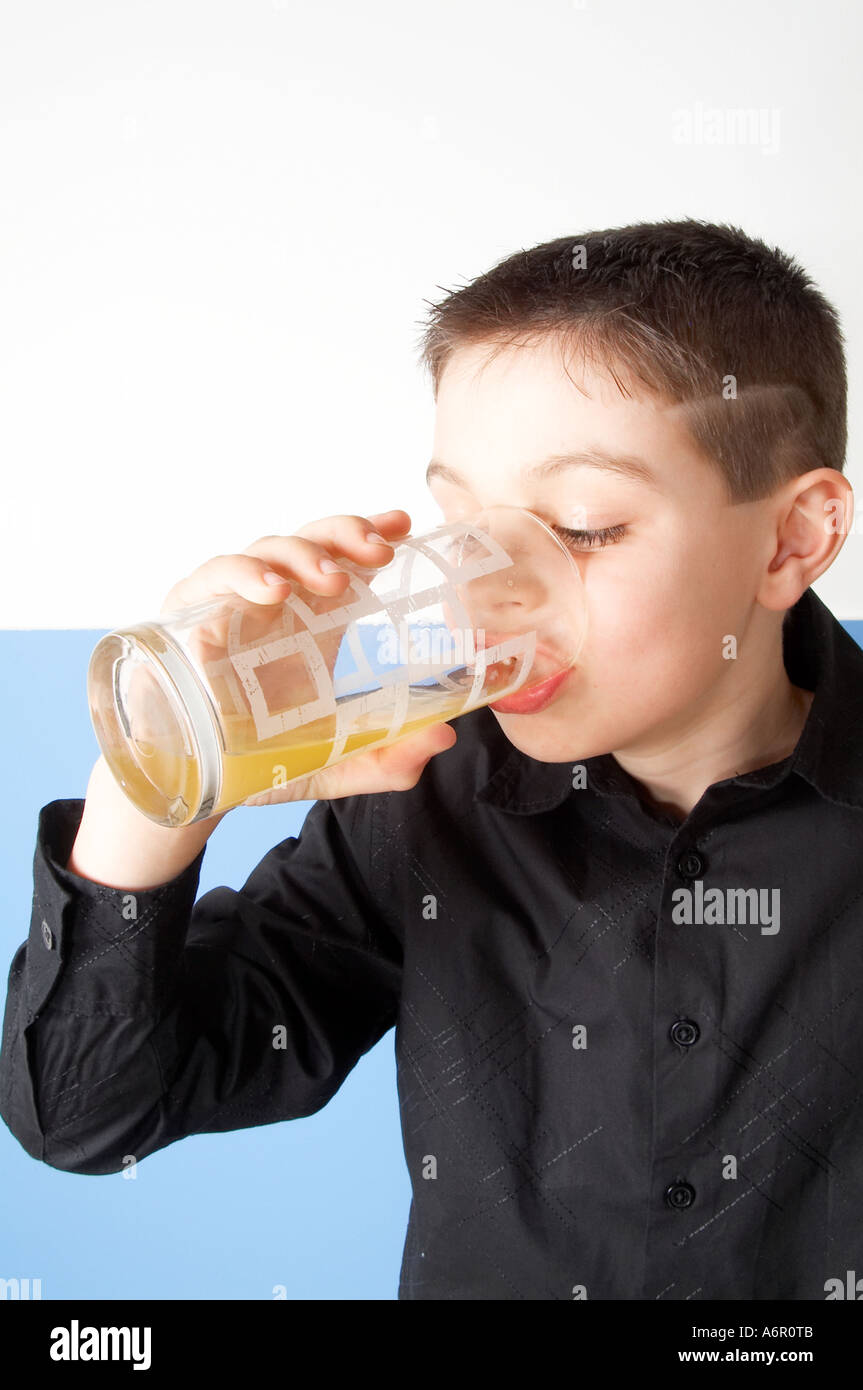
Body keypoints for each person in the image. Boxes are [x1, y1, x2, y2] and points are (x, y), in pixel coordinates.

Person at [2, 218, 860, 1300]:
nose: (481, 593)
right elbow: (88, 1113)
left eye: (584, 526)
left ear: (791, 539)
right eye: (463, 523)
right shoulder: (427, 794)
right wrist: (171, 766)